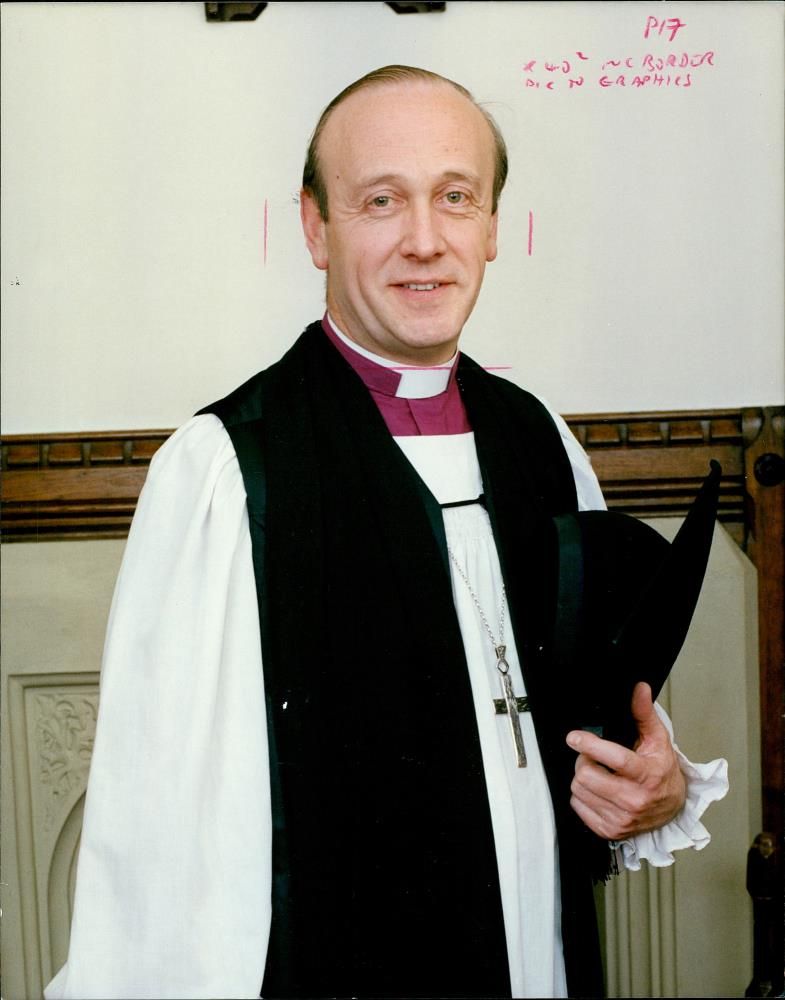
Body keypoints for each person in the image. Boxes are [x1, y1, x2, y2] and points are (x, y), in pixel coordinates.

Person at [46, 65, 728, 1000]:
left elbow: (596, 718)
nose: (424, 241)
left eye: (455, 198)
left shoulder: (540, 442)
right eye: (380, 201)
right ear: (314, 226)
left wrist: (652, 785)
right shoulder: (224, 471)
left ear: (491, 228)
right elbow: (159, 838)